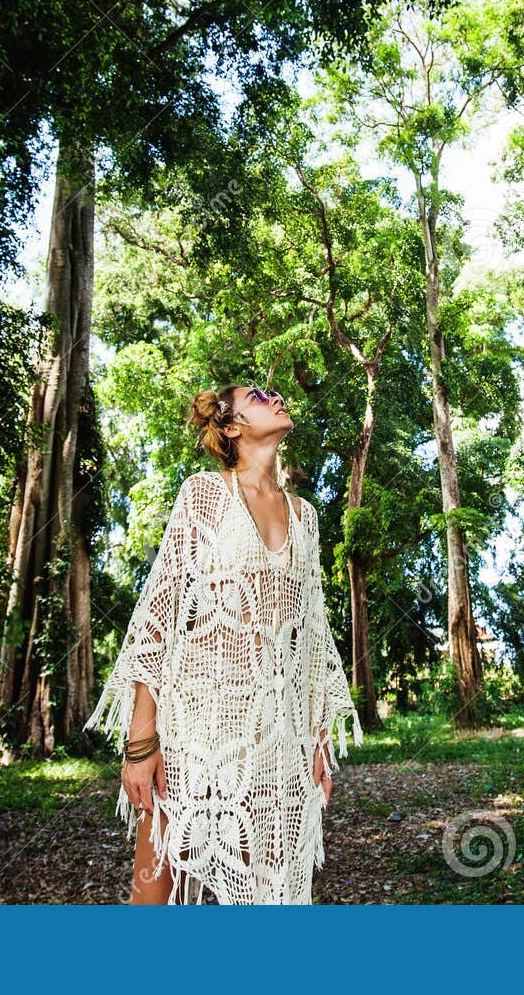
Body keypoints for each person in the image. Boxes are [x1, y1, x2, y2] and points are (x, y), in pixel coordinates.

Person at [84, 382, 363, 904]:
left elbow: (313, 637)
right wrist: (142, 746)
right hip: (195, 728)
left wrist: (320, 739)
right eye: (258, 395)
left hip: (275, 738)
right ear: (232, 427)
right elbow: (158, 619)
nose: (275, 397)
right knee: (159, 883)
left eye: (275, 392)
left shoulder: (306, 516)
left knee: (274, 890)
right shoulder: (204, 495)